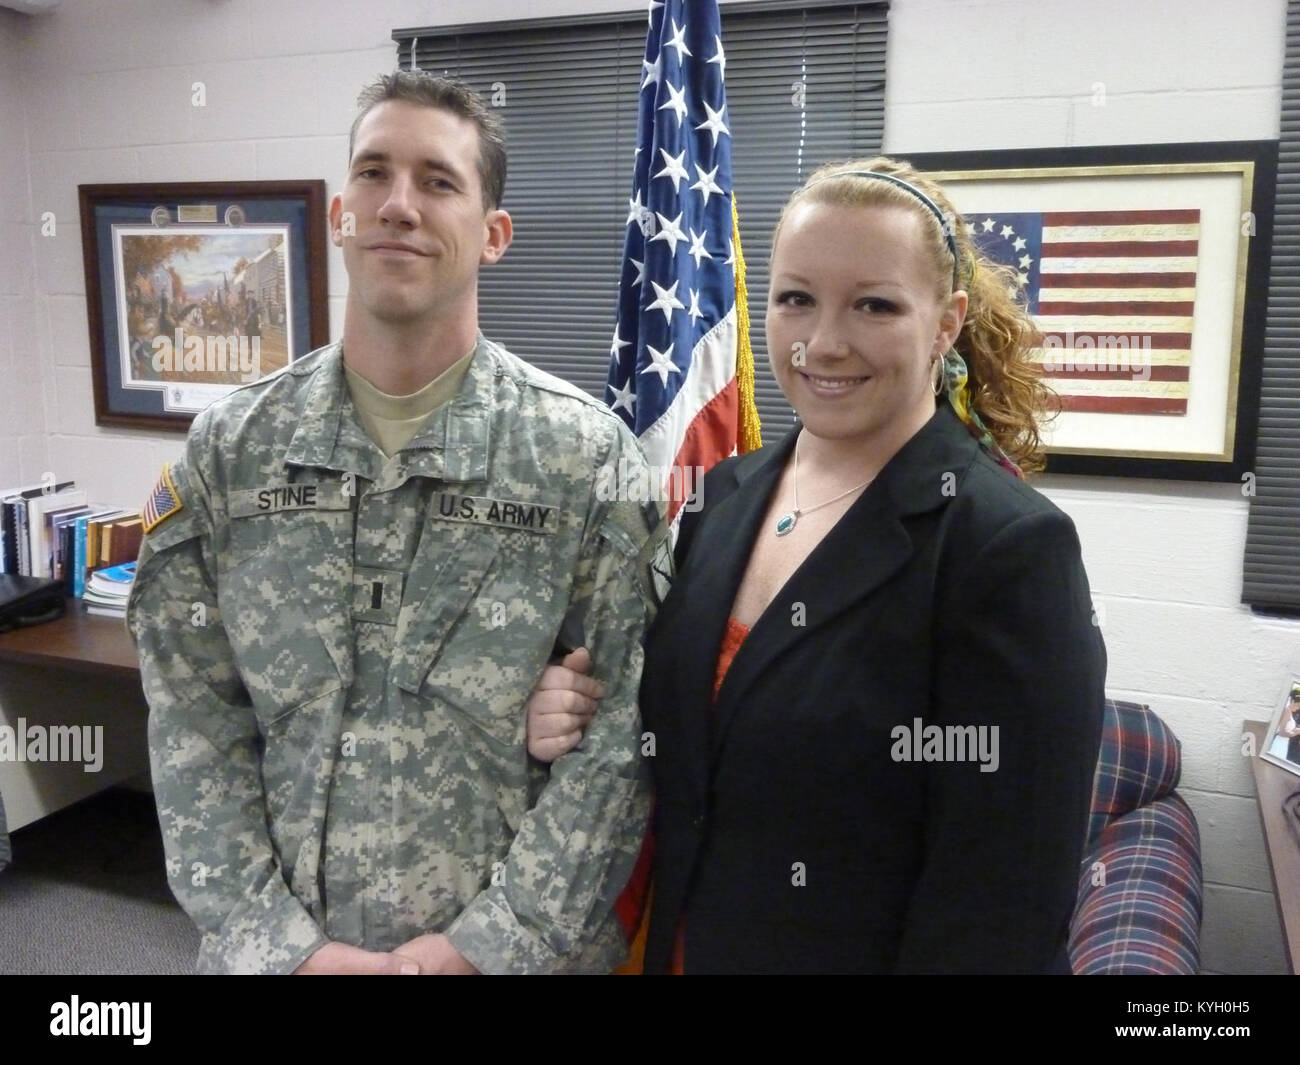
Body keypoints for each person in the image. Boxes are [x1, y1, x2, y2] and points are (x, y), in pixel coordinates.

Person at [126, 71, 666, 975]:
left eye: (439, 181)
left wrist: (484, 947)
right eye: (374, 175)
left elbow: (624, 740)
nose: (399, 206)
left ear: (493, 234)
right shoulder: (231, 451)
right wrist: (286, 951)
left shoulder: (581, 458)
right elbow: (191, 725)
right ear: (341, 214)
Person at [528, 157, 1108, 974]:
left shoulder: (1004, 549)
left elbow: (1001, 904)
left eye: (874, 304)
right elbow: (682, 737)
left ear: (947, 322)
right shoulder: (723, 495)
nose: (824, 342)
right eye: (796, 298)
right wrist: (571, 708)